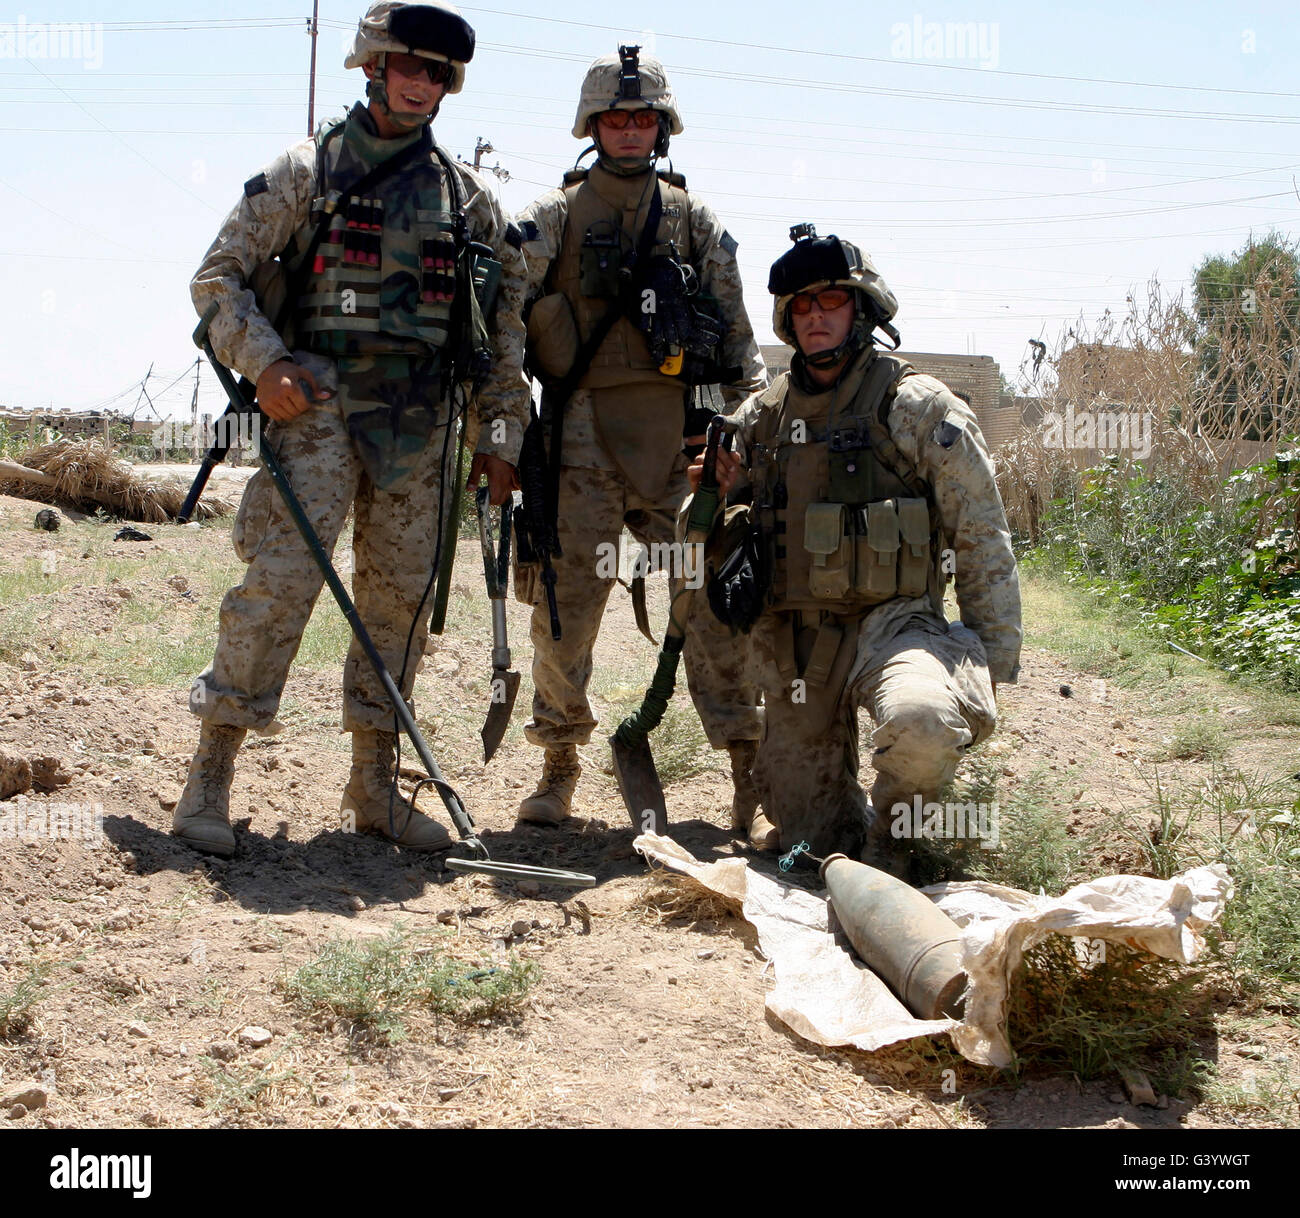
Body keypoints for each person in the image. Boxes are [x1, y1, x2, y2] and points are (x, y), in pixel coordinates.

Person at [175, 1, 529, 858]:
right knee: (282, 581)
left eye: (438, 74)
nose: (423, 84)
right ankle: (210, 774)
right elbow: (218, 278)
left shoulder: (467, 196)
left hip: (423, 418)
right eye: (410, 66)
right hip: (320, 408)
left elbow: (503, 322)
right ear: (373, 68)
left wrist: (499, 436)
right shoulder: (308, 170)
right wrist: (266, 364)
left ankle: (374, 786)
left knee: (398, 604)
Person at [690, 225, 1021, 867]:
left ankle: (896, 840)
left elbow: (982, 533)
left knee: (921, 727)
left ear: (862, 306)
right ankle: (840, 828)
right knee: (811, 848)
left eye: (830, 301)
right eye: (802, 306)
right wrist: (714, 494)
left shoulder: (917, 408)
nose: (815, 316)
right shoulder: (761, 418)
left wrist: (994, 660)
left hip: (898, 628)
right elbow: (700, 539)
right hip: (797, 647)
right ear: (787, 320)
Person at [513, 46, 768, 838]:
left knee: (716, 603)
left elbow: (743, 356)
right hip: (577, 440)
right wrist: (503, 428)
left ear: (662, 128)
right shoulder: (551, 218)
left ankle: (747, 773)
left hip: (675, 447)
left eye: (643, 118)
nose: (629, 130)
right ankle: (558, 767)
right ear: (593, 126)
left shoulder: (696, 223)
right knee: (565, 614)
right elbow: (499, 329)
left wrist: (736, 443)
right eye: (616, 118)